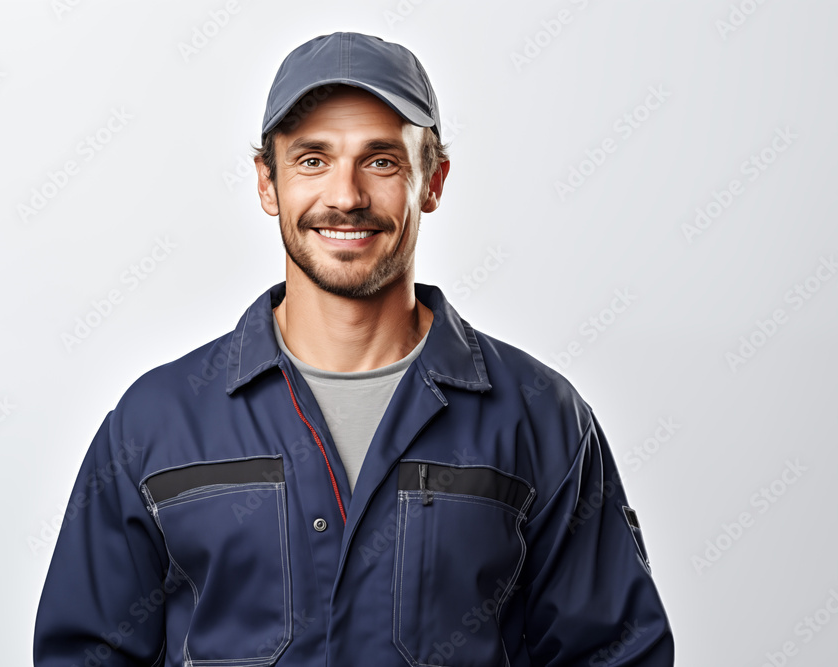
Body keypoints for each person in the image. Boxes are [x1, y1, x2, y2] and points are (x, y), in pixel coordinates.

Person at [33, 31, 674, 666]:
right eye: (313, 160)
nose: (346, 196)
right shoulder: (156, 422)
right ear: (267, 182)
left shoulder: (540, 417)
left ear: (433, 181)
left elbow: (614, 655)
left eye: (382, 160)